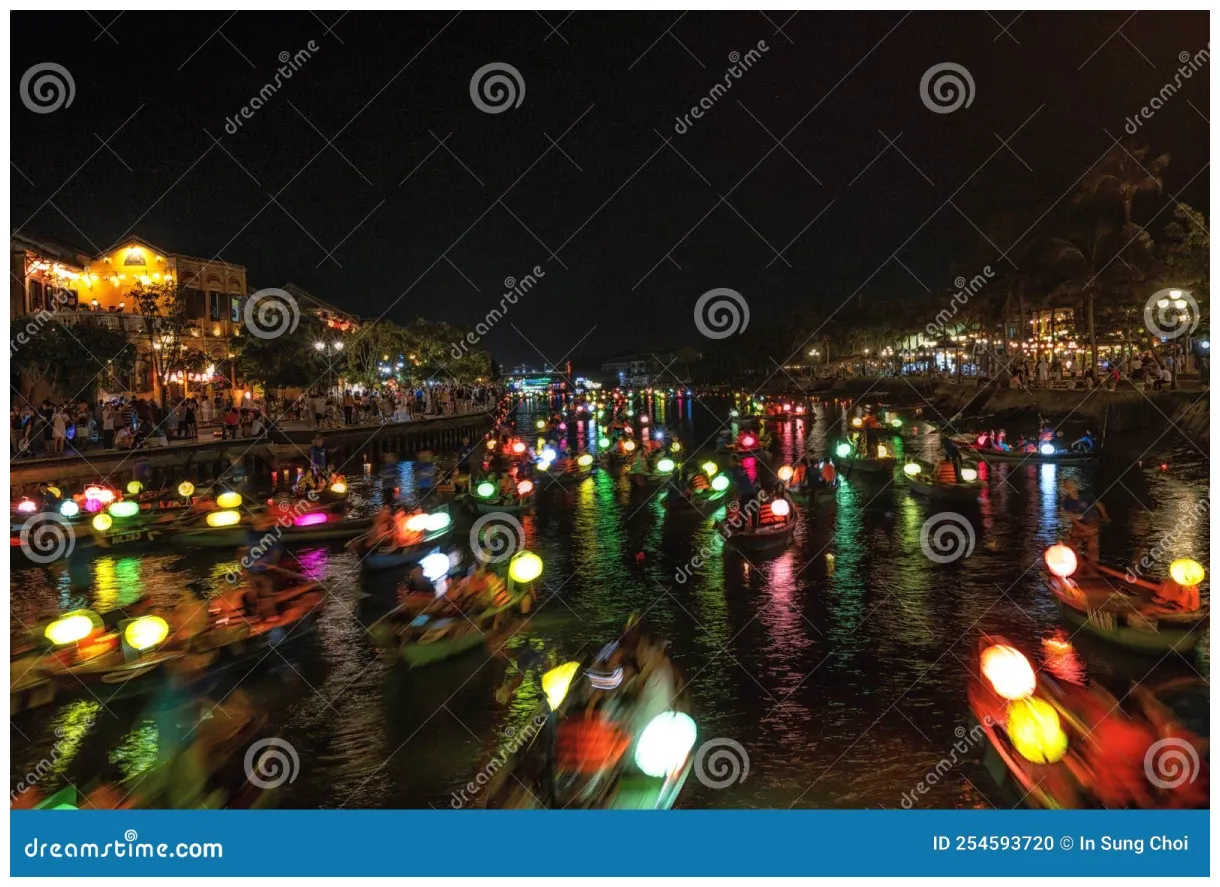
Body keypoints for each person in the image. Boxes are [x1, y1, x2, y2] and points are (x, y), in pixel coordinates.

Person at [1061, 479, 1109, 561]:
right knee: (1072, 541)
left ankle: (1093, 562)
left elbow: (1100, 505)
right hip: (1080, 523)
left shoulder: (1087, 495)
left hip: (1092, 520)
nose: (1071, 489)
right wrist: (1083, 527)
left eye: (1072, 486)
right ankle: (1074, 562)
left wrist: (1105, 517)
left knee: (1093, 537)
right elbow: (1073, 518)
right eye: (1068, 487)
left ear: (1076, 485)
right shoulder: (1067, 502)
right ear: (1065, 489)